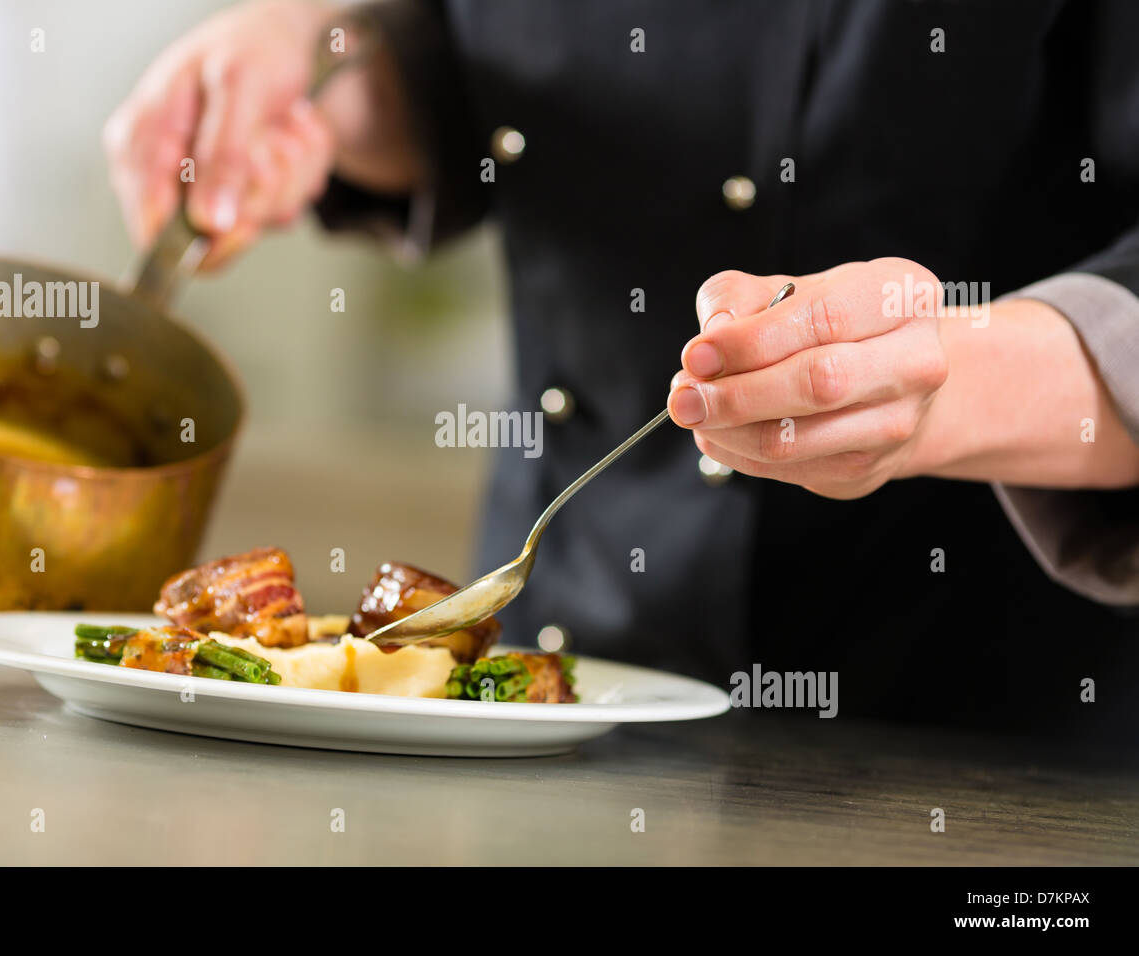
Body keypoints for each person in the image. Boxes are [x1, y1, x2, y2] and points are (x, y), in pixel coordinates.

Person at [103, 0, 1139, 740]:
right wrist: (330, 58)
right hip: (575, 675)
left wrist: (951, 378)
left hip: (1001, 715)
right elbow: (516, 68)